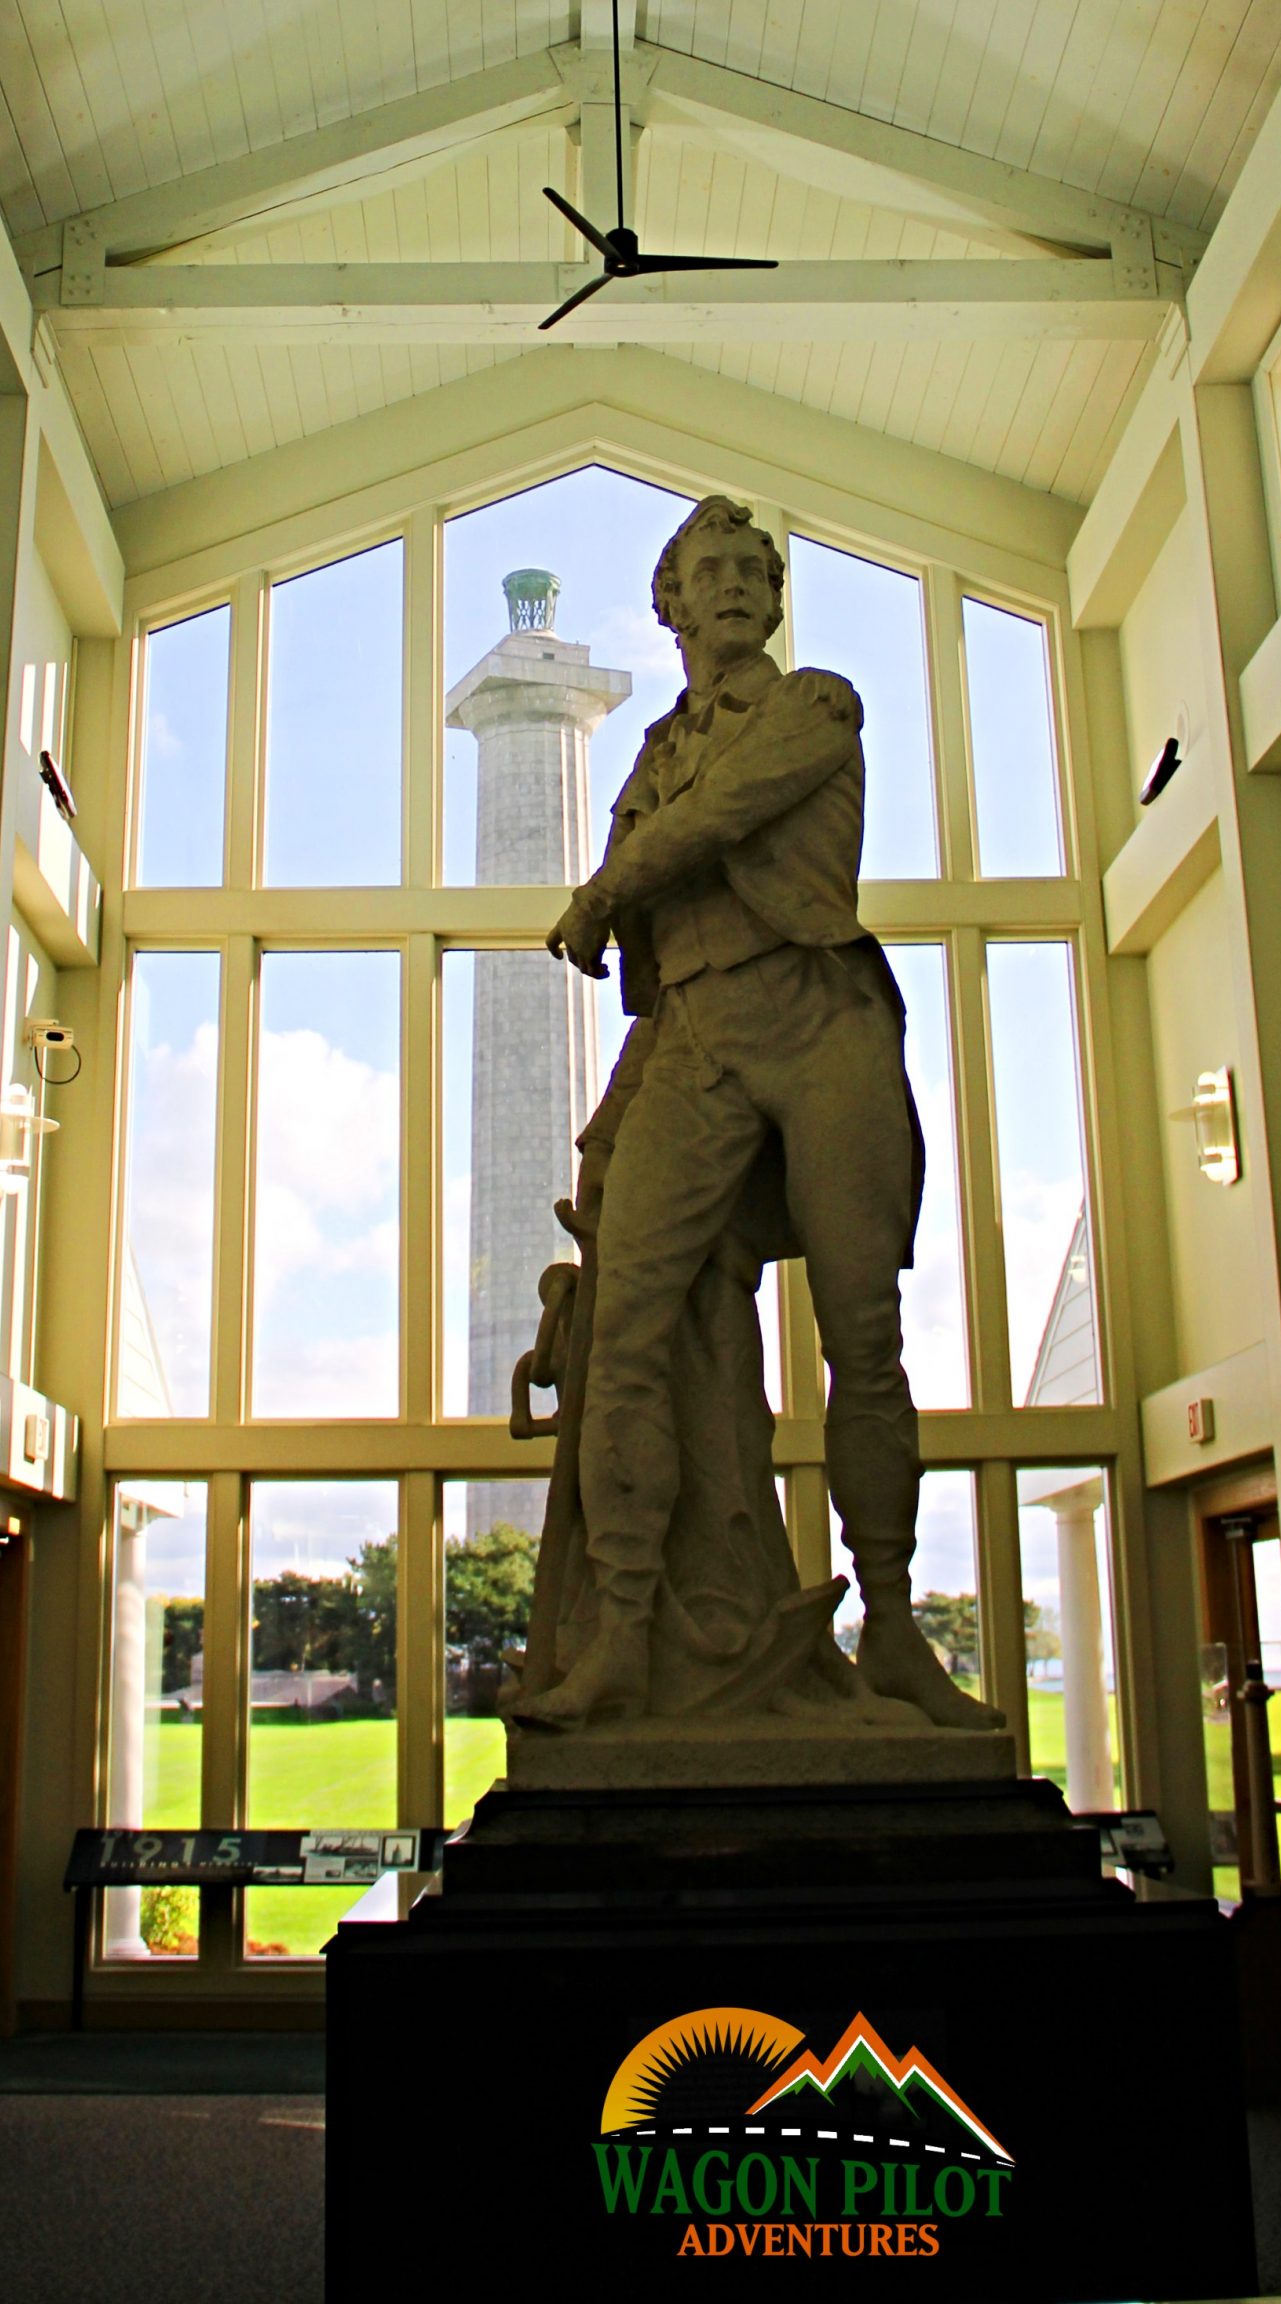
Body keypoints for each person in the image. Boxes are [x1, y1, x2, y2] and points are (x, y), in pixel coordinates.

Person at [528, 493, 1003, 1734]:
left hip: (820, 1016)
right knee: (626, 1323)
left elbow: (721, 817)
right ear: (671, 602)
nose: (734, 584)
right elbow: (660, 954)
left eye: (753, 568)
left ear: (774, 598)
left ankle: (891, 1627)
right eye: (708, 570)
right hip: (687, 1039)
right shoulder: (643, 755)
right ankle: (625, 1634)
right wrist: (612, 1116)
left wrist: (597, 890)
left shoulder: (814, 704)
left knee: (862, 1326)